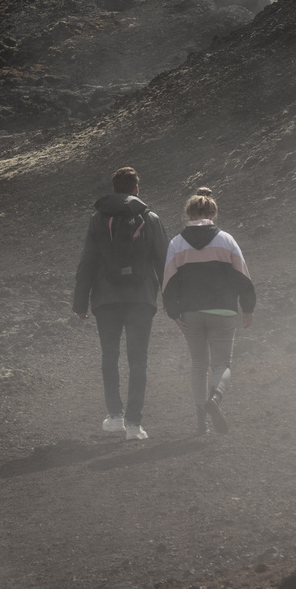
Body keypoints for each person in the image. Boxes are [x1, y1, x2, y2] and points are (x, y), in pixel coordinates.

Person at [74, 166, 169, 440]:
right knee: (138, 359)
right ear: (136, 189)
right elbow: (164, 261)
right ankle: (133, 425)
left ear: (113, 189)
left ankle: (114, 417)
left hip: (106, 299)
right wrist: (170, 299)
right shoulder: (150, 218)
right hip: (140, 298)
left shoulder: (97, 220)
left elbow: (87, 261)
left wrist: (81, 302)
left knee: (109, 357)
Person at [161, 188, 255, 436]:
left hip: (190, 312)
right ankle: (215, 398)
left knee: (198, 365)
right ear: (212, 213)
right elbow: (242, 276)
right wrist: (248, 307)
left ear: (188, 214)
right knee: (222, 363)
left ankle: (201, 422)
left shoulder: (176, 243)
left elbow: (168, 282)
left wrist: (173, 312)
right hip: (223, 309)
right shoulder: (226, 240)